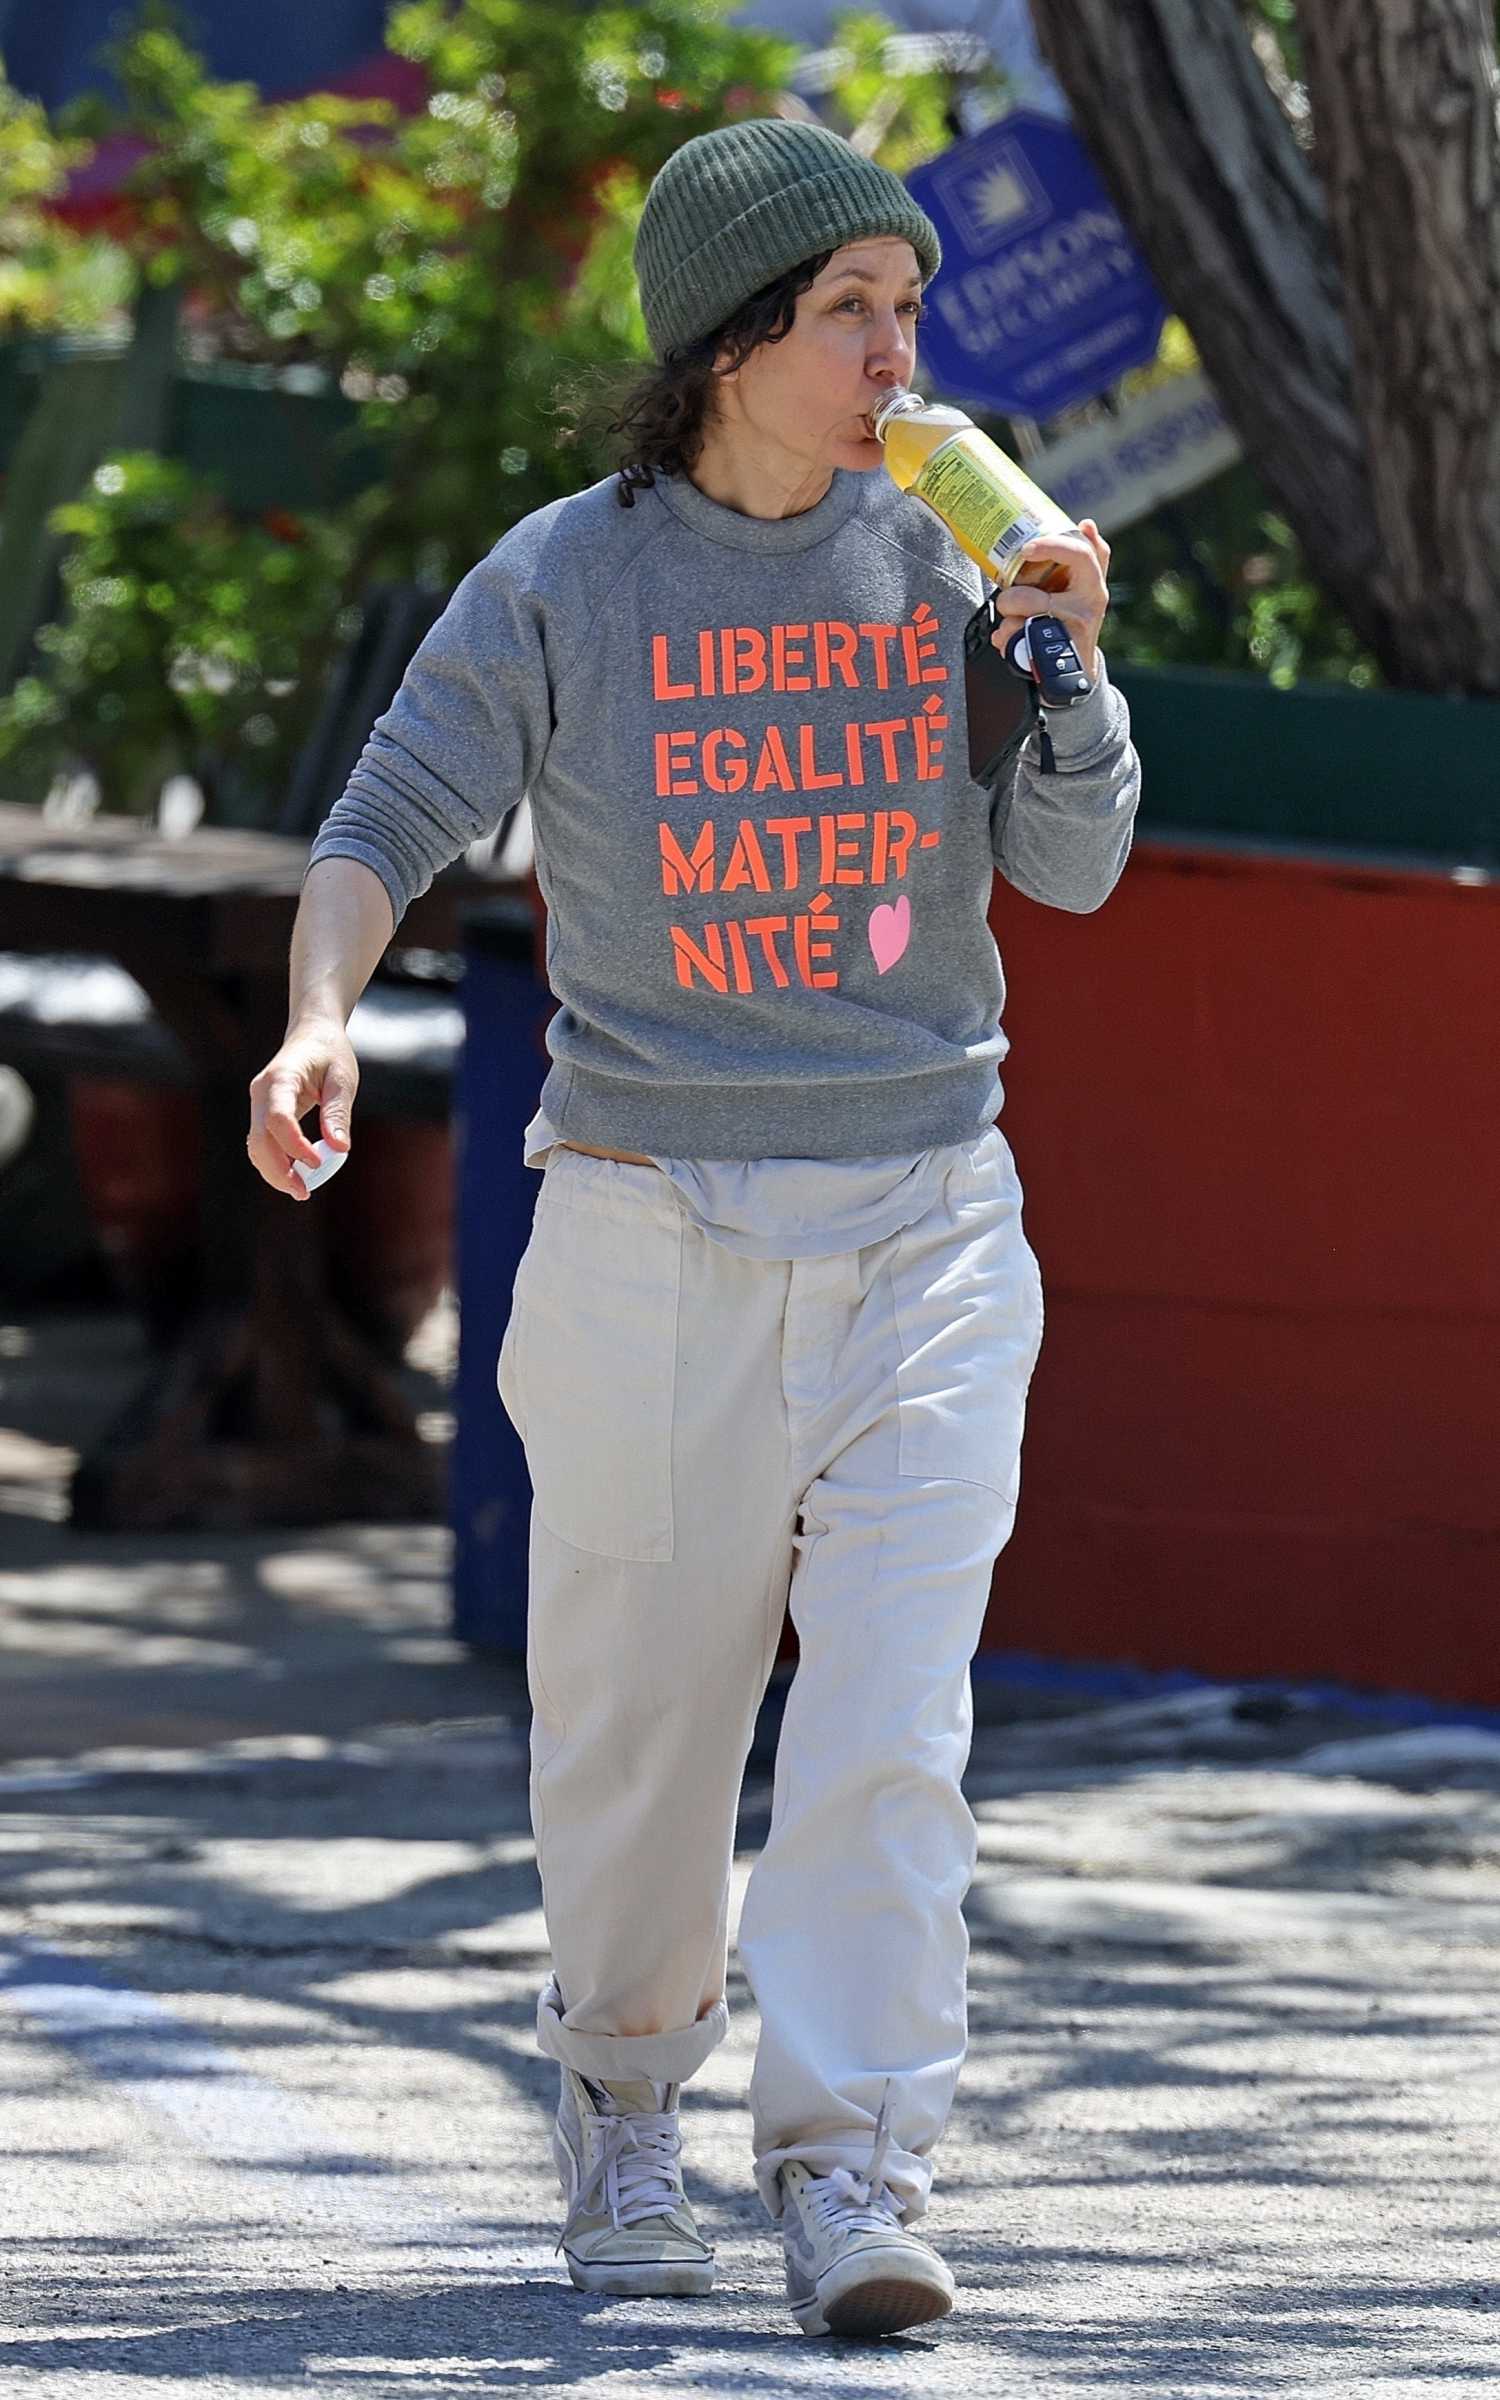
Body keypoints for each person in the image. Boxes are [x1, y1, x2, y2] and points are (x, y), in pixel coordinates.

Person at [248, 116, 1140, 2341]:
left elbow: (1076, 870)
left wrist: (1074, 672)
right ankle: (624, 2094)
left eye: (905, 307)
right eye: (850, 308)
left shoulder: (951, 558)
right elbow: (389, 814)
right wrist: (316, 1023)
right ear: (732, 340)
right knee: (641, 1725)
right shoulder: (564, 580)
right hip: (649, 1215)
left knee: (887, 1725)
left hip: (931, 1209)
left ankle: (851, 2162)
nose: (896, 351)